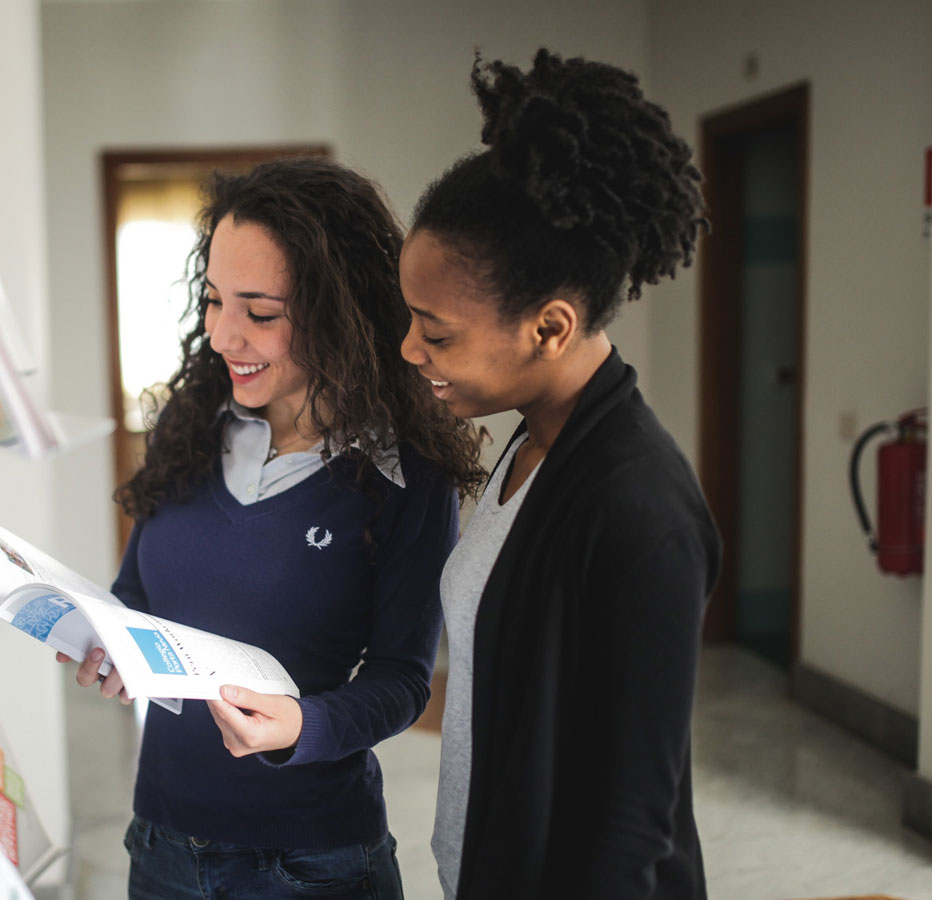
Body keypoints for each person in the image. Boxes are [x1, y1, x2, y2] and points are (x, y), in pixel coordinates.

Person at [60, 158, 484, 899]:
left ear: (341, 311)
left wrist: (299, 726)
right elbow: (137, 590)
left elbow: (402, 680)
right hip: (161, 845)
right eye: (214, 300)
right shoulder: (187, 428)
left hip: (311, 862)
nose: (224, 336)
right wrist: (113, 640)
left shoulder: (404, 475)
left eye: (260, 313)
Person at [399, 49, 721, 899]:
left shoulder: (639, 508)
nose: (410, 351)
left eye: (436, 334)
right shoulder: (533, 441)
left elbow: (630, 826)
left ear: (548, 328)